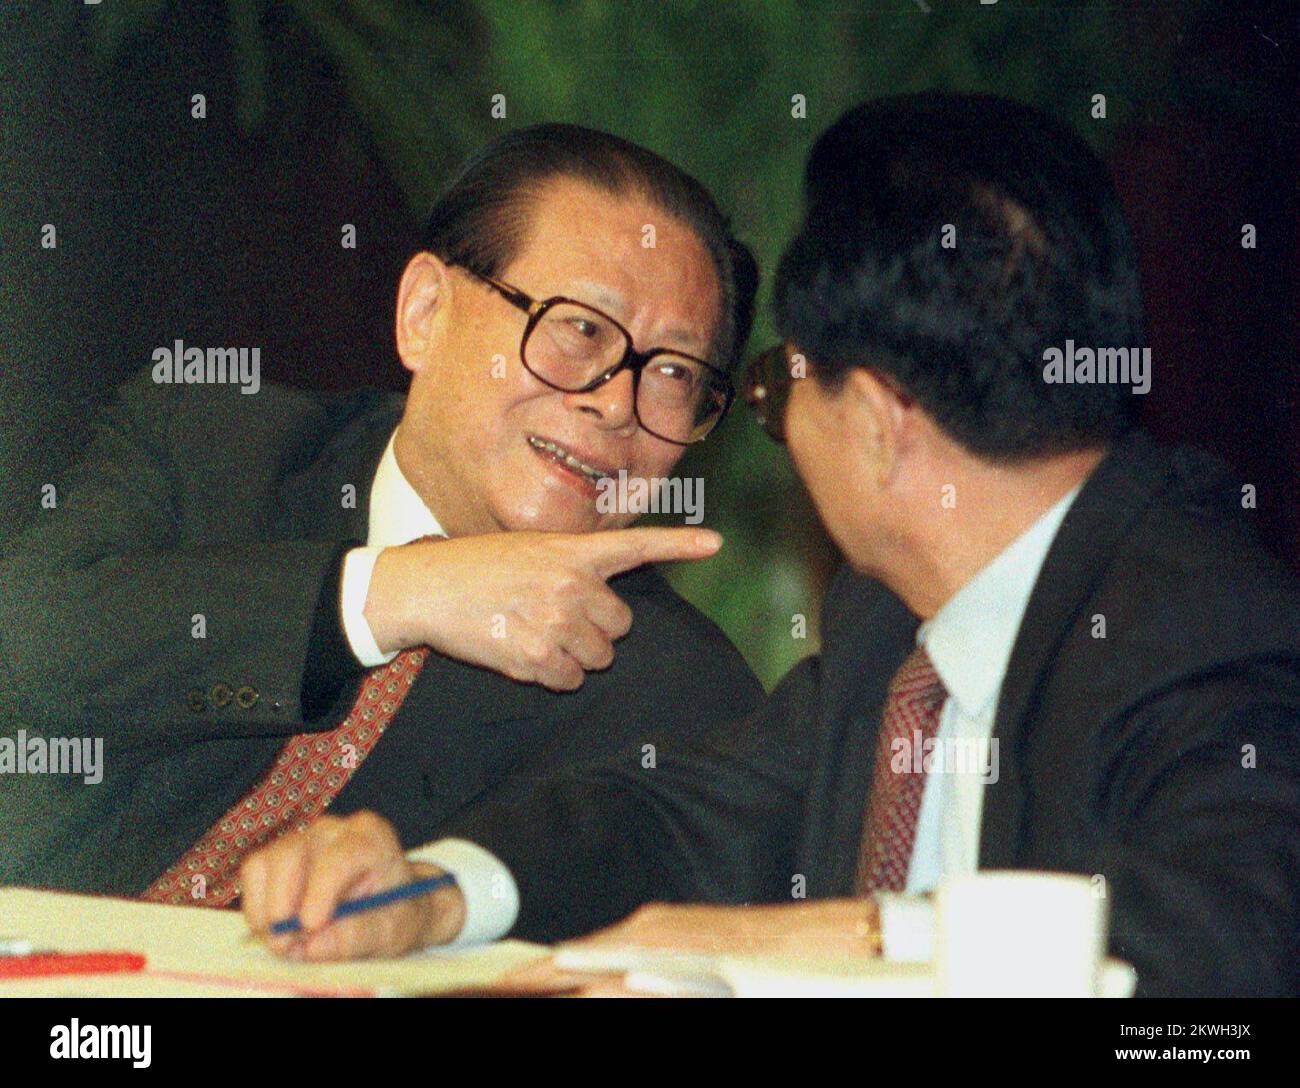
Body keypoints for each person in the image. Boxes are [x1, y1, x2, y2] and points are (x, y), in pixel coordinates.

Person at [238, 95, 1300, 997]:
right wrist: (431, 890)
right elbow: (679, 811)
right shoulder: (897, 627)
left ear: (880, 424)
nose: (781, 428)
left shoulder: (1203, 622)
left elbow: (1237, 928)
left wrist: (861, 936)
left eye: (782, 385)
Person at [0, 124, 765, 913]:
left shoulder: (676, 695)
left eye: (673, 372)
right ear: (426, 312)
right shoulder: (207, 451)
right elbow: (27, 653)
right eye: (580, 328)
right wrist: (384, 597)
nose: (614, 403)